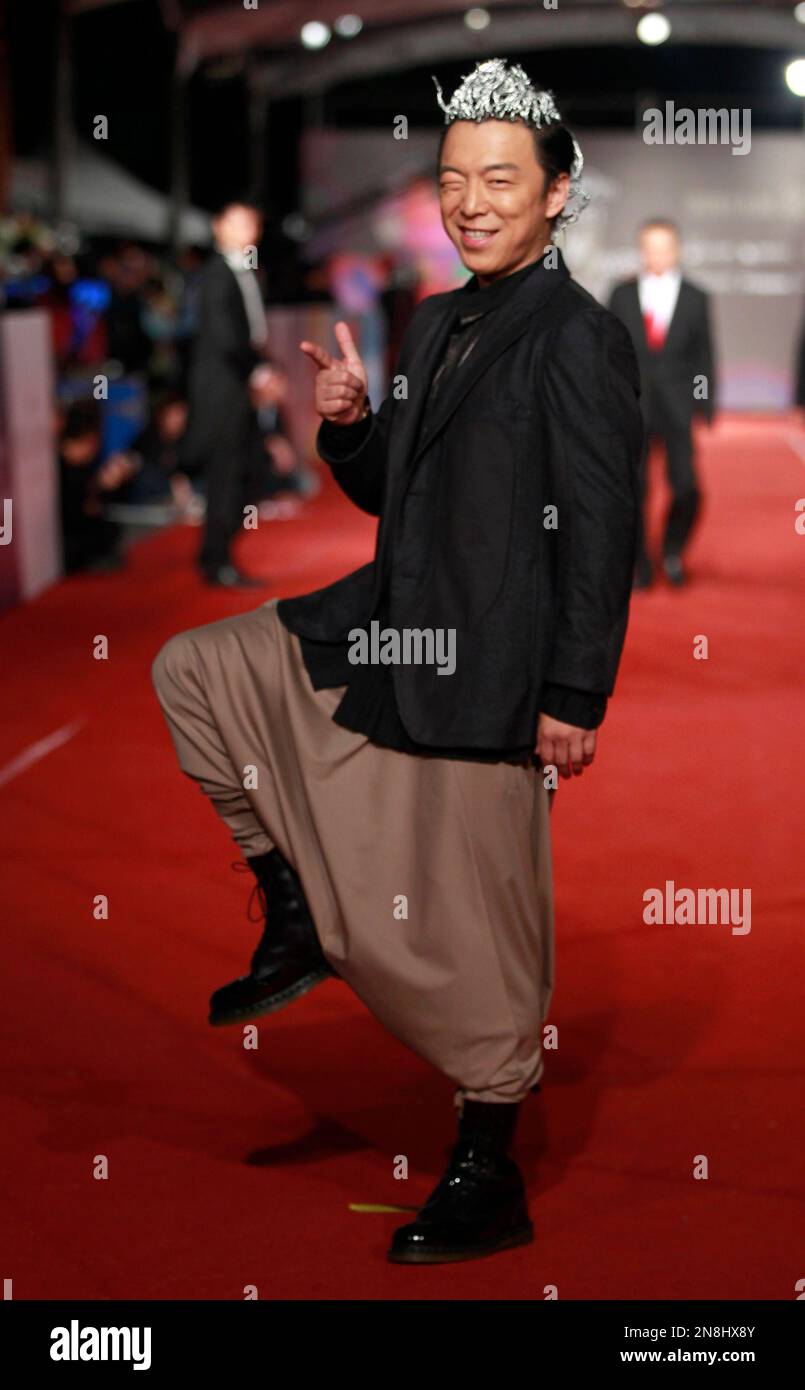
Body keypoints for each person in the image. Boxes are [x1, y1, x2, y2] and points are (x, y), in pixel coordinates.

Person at [151, 59, 643, 1264]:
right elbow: (395, 500)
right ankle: (294, 912)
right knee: (196, 671)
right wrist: (353, 421)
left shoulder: (577, 336)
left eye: (499, 181)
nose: (469, 201)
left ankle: (488, 1168)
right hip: (385, 620)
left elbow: (599, 525)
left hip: (494, 665)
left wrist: (574, 693)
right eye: (450, 180)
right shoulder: (433, 316)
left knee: (489, 927)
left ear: (558, 192)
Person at [609, 219, 716, 588]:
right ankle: (638, 561)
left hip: (678, 406)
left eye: (664, 247)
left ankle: (672, 551)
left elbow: (705, 354)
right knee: (633, 487)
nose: (657, 255)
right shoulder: (621, 294)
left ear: (677, 250)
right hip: (632, 406)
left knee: (686, 485)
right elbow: (608, 352)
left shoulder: (696, 296)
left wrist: (705, 405)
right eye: (650, 247)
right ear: (641, 250)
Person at [180, 201, 276, 587]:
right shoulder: (216, 275)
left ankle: (216, 553)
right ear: (217, 226)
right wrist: (257, 372)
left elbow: (250, 332)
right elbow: (225, 336)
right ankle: (216, 560)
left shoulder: (247, 271)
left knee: (250, 469)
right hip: (223, 391)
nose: (246, 229)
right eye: (237, 222)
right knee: (228, 474)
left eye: (251, 222)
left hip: (238, 387)